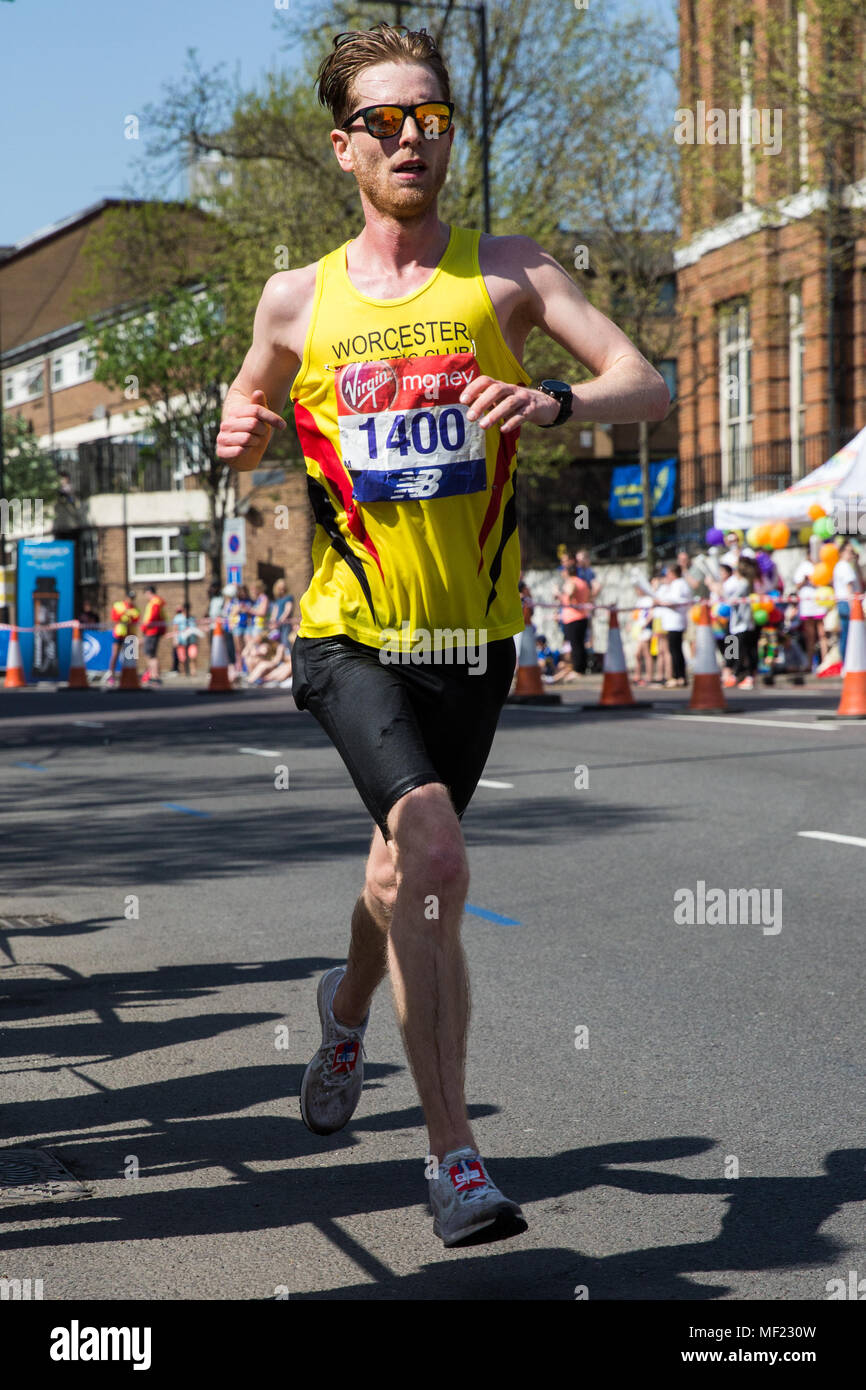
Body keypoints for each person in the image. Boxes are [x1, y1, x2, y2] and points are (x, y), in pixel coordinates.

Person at [216, 21, 668, 1248]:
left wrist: (554, 395)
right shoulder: (297, 297)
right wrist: (239, 433)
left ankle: (345, 1010)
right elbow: (247, 400)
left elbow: (648, 378)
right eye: (386, 122)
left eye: (432, 119)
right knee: (439, 860)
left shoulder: (507, 272)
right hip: (348, 636)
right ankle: (453, 1158)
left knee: (395, 874)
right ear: (342, 146)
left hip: (470, 644)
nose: (412, 140)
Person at [724, 556, 759, 688]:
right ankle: (733, 671)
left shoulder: (744, 583)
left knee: (744, 649)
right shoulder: (736, 581)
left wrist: (718, 590)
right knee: (731, 646)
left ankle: (745, 675)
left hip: (743, 622)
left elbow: (732, 598)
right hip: (735, 622)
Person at [554, 558, 591, 678]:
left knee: (575, 645)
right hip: (582, 616)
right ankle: (581, 668)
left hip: (573, 618)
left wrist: (559, 594)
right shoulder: (583, 582)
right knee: (580, 644)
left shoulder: (572, 582)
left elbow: (569, 595)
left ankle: (577, 670)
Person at [655, 562, 690, 687]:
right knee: (675, 650)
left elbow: (674, 600)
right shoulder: (675, 584)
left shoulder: (678, 584)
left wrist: (664, 603)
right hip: (672, 622)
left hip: (676, 622)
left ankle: (678, 676)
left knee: (675, 650)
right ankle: (679, 675)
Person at [832, 540, 864, 663]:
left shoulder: (845, 566)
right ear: (842, 552)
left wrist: (856, 562)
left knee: (849, 633)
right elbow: (849, 588)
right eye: (850, 551)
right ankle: (847, 662)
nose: (852, 554)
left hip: (846, 603)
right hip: (848, 603)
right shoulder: (844, 566)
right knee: (849, 634)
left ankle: (847, 662)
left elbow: (860, 583)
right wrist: (854, 607)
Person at [105, 590, 139, 688]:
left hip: (130, 634)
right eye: (129, 598)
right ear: (126, 597)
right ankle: (111, 675)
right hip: (119, 633)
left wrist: (130, 616)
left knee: (130, 656)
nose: (131, 600)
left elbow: (136, 619)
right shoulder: (118, 605)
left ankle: (130, 676)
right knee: (115, 654)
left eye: (132, 599)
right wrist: (124, 613)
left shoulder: (135, 609)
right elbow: (114, 617)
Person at [140, 585, 167, 686]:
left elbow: (152, 617)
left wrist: (144, 628)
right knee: (151, 654)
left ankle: (154, 676)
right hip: (153, 631)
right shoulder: (157, 602)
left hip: (151, 631)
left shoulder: (155, 602)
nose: (146, 596)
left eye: (146, 593)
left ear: (149, 592)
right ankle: (153, 675)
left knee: (150, 654)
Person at [173, 604, 202, 676]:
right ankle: (183, 672)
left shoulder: (192, 618)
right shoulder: (178, 618)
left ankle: (193, 671)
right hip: (181, 641)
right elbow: (175, 629)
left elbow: (195, 629)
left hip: (192, 641)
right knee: (182, 658)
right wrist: (175, 639)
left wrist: (197, 640)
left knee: (193, 656)